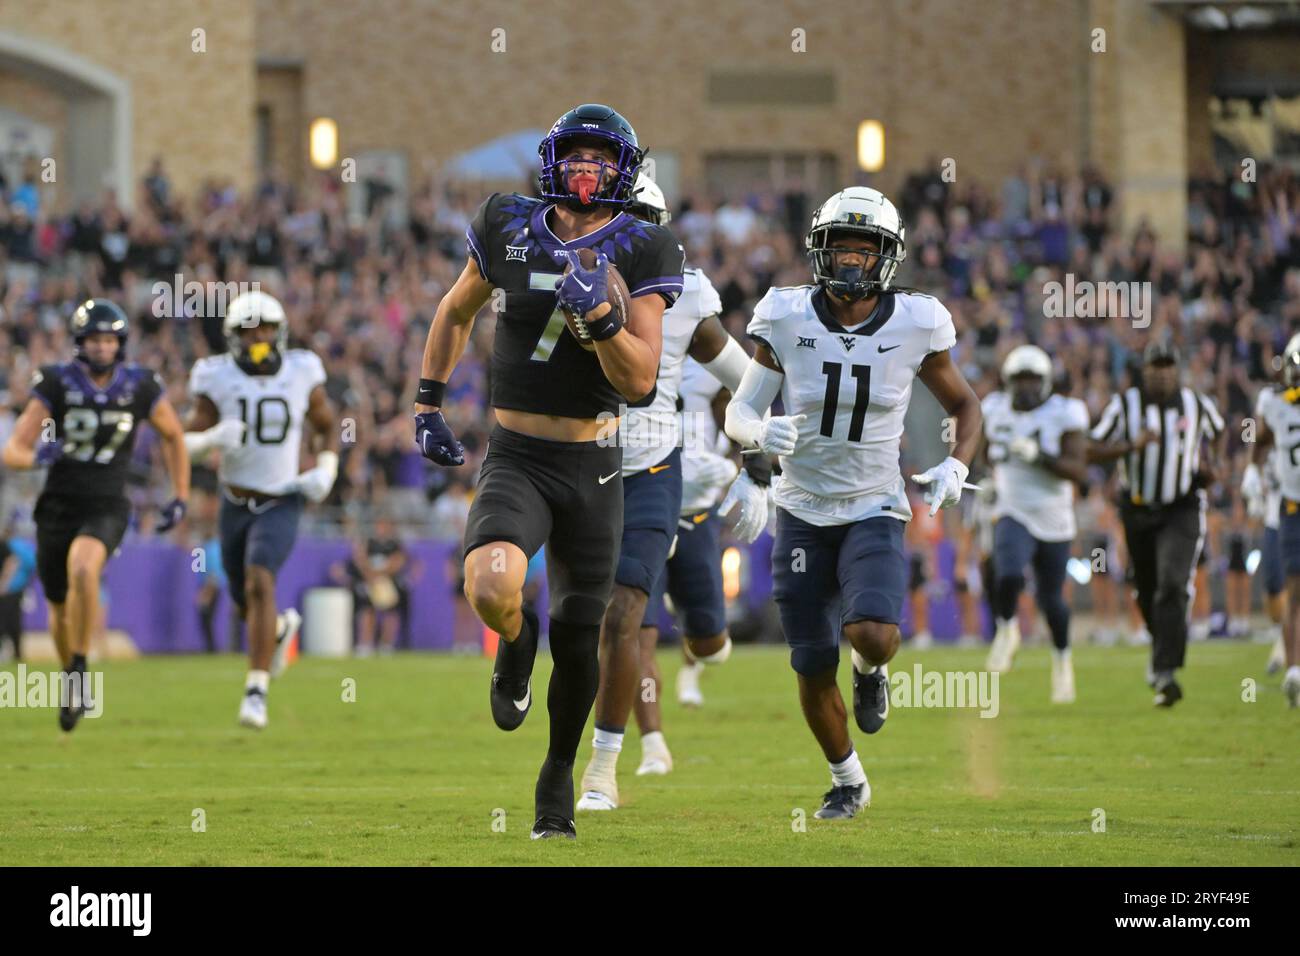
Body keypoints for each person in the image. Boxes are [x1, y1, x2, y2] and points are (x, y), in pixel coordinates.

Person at [412, 104, 685, 840]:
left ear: (625, 169)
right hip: (518, 453)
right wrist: (428, 401)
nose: (587, 169)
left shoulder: (647, 245)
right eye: (577, 155)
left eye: (603, 157)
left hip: (594, 461)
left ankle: (558, 777)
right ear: (552, 161)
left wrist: (601, 323)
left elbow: (641, 380)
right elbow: (457, 308)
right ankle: (514, 645)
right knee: (491, 585)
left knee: (580, 633)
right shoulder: (506, 221)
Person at [725, 186, 982, 819]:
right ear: (820, 250)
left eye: (863, 252)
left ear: (886, 258)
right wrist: (759, 435)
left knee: (873, 632)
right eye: (839, 248)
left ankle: (871, 672)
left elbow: (967, 406)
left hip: (872, 503)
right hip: (802, 506)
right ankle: (848, 781)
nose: (849, 262)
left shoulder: (916, 321)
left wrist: (957, 461)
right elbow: (739, 410)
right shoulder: (786, 315)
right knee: (811, 665)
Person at [577, 173, 760, 812]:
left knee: (627, 613)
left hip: (655, 469)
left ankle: (603, 767)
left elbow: (746, 378)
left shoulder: (685, 296)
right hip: (581, 471)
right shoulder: (566, 283)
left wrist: (757, 463)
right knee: (589, 620)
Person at [1, 299, 190, 731]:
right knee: (57, 605)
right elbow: (13, 449)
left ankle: (81, 667)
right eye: (94, 340)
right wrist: (38, 457)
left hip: (107, 503)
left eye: (109, 340)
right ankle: (71, 674)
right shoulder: (56, 382)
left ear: (120, 343)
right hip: (57, 506)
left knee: (84, 570)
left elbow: (174, 435)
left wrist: (179, 494)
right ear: (80, 343)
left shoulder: (139, 386)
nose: (102, 348)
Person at [185, 290, 338, 729]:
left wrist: (326, 470)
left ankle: (255, 692)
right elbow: (181, 442)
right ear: (233, 336)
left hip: (282, 497)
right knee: (244, 600)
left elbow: (327, 427)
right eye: (249, 330)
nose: (259, 338)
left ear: (280, 333)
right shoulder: (215, 377)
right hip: (234, 501)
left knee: (258, 578)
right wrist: (211, 439)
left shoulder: (302, 370)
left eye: (266, 329)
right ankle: (275, 631)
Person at [1089, 341, 1225, 706]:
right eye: (1156, 366)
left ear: (1176, 370)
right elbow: (1090, 447)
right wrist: (1131, 446)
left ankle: (1165, 671)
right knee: (1146, 588)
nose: (1162, 372)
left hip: (1182, 506)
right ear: (1145, 370)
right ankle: (1161, 652)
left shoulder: (1197, 404)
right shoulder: (1125, 405)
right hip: (1137, 509)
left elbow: (1219, 434)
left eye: (1168, 365)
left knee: (1172, 583)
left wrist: (1212, 465)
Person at [980, 345, 1089, 703]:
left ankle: (1062, 662)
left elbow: (1078, 469)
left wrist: (1040, 456)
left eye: (1032, 380)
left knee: (1051, 600)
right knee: (1007, 572)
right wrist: (985, 479)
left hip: (1054, 515)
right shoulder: (993, 408)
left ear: (1045, 382)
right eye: (1019, 379)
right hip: (1013, 508)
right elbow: (984, 452)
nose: (1025, 387)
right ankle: (1007, 628)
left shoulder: (1066, 412)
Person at [1243, 331, 1300, 708]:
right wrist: (1251, 470)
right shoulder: (1275, 403)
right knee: (1288, 593)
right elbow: (1261, 440)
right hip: (1291, 507)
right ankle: (1294, 670)